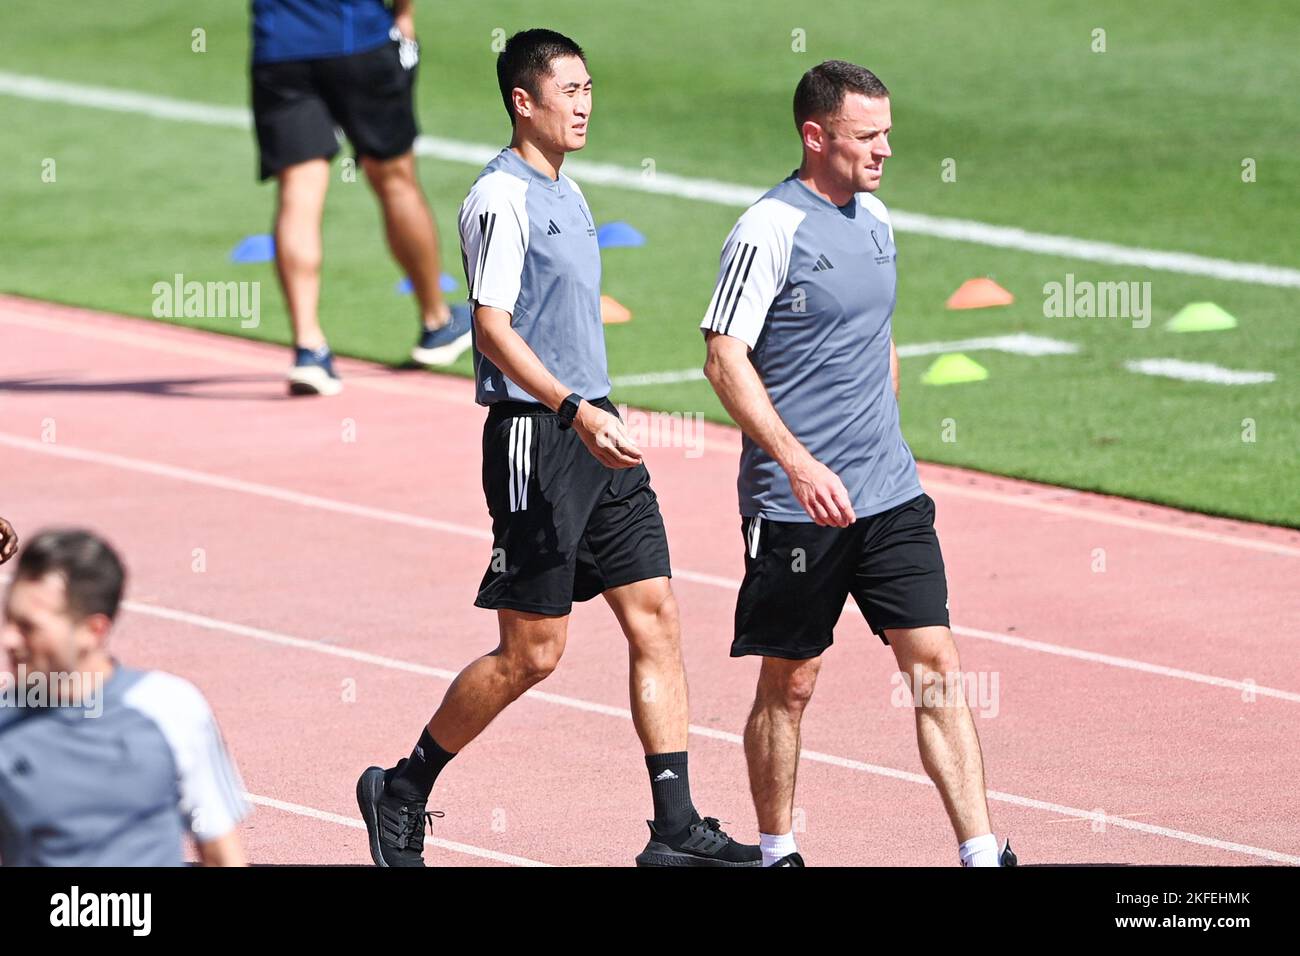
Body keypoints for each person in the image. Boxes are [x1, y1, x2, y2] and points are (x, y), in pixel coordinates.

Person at [356, 29, 759, 868]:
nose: (584, 104)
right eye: (568, 90)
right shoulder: (499, 200)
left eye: (588, 89)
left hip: (594, 428)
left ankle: (675, 828)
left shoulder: (567, 193)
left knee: (657, 616)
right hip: (536, 437)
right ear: (522, 101)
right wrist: (574, 408)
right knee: (532, 652)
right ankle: (403, 786)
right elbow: (491, 330)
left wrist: (594, 411)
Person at [700, 60, 1015, 868]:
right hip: (796, 506)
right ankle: (777, 851)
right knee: (791, 682)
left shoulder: (875, 219)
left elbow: (880, 335)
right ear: (816, 136)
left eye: (888, 135)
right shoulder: (768, 229)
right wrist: (800, 463)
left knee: (936, 665)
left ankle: (982, 853)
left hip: (890, 494)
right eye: (867, 136)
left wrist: (887, 433)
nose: (884, 150)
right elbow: (724, 358)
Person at [250, 0, 472, 396]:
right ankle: (436, 322)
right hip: (359, 40)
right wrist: (404, 15)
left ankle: (308, 347)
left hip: (280, 48)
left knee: (298, 192)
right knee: (395, 180)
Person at [0, 530, 250, 866]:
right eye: (9, 621)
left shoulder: (172, 709)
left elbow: (223, 855)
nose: (9, 640)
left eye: (28, 627)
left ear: (93, 630)